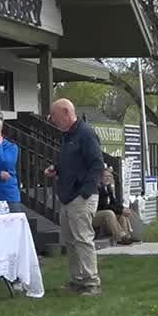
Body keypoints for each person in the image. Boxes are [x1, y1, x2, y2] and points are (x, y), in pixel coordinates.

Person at [46, 98, 105, 296]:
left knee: (83, 239)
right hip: (67, 196)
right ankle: (77, 280)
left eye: (54, 116)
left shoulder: (86, 134)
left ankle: (91, 282)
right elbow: (70, 162)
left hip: (81, 197)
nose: (53, 120)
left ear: (65, 112)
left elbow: (97, 164)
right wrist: (56, 169)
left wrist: (85, 192)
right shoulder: (67, 136)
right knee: (70, 241)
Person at [95, 168, 139, 246]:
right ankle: (119, 237)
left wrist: (122, 209)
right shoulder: (98, 188)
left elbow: (114, 202)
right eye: (105, 176)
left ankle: (127, 237)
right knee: (110, 213)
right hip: (94, 215)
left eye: (109, 176)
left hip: (104, 212)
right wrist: (120, 210)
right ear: (100, 177)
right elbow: (103, 206)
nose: (108, 178)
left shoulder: (108, 187)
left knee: (121, 215)